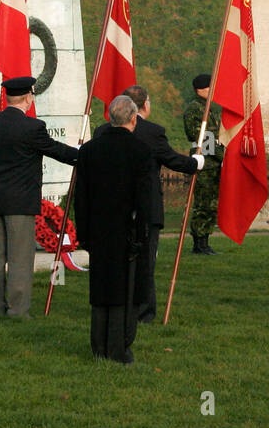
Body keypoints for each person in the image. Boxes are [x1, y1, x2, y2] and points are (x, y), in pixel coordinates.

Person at [92, 84, 204, 324]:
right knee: (145, 262)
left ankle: (117, 305)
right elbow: (171, 159)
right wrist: (195, 163)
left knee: (116, 260)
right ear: (143, 105)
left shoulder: (101, 131)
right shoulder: (152, 132)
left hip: (112, 207)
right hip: (146, 207)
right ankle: (143, 312)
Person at [0, 76, 79, 316]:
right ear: (28, 98)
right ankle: (17, 309)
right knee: (20, 259)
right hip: (20, 203)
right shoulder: (32, 127)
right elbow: (56, 150)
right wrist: (83, 154)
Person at [76, 95, 152, 364]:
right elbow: (146, 199)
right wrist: (144, 235)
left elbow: (80, 197)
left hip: (97, 229)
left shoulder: (88, 151)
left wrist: (83, 234)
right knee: (126, 290)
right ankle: (119, 348)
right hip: (127, 231)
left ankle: (98, 346)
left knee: (100, 288)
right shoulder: (141, 151)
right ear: (134, 119)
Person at [183, 74, 223, 256]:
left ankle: (205, 240)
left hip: (213, 162)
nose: (212, 91)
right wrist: (223, 156)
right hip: (204, 162)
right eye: (209, 88)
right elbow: (201, 137)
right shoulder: (195, 109)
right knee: (203, 204)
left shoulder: (209, 109)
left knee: (212, 204)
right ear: (200, 90)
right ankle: (199, 242)